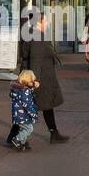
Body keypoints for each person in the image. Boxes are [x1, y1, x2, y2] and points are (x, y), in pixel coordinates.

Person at [18, 10, 70, 143]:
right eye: (45, 21)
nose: (47, 23)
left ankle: (54, 133)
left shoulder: (34, 34)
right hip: (41, 78)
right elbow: (36, 60)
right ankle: (18, 137)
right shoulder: (37, 37)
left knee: (46, 105)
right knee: (29, 107)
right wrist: (35, 81)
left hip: (43, 76)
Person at [6, 69, 40, 151]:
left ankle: (22, 142)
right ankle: (17, 139)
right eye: (32, 80)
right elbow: (27, 104)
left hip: (18, 115)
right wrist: (33, 113)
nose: (33, 82)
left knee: (24, 128)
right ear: (27, 81)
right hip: (23, 115)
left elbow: (29, 91)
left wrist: (33, 86)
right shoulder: (24, 91)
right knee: (29, 129)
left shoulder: (20, 89)